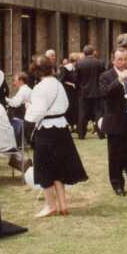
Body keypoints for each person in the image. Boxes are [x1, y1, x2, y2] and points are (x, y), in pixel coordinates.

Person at [26, 56, 88, 217]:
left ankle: (50, 205)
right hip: (61, 128)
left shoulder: (39, 88)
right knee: (59, 167)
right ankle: (63, 205)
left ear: (36, 71)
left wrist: (28, 113)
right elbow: (66, 105)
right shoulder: (58, 84)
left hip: (46, 130)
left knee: (44, 168)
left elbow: (37, 112)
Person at [100, 48, 127, 196]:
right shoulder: (106, 76)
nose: (123, 62)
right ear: (113, 61)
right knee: (115, 155)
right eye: (120, 59)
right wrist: (119, 80)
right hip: (115, 120)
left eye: (125, 59)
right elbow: (105, 93)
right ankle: (117, 184)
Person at [75, 45, 105, 139]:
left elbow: (76, 78)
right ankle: (101, 133)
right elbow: (103, 77)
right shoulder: (99, 63)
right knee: (98, 113)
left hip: (83, 92)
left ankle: (81, 134)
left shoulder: (79, 63)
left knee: (82, 114)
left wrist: (79, 88)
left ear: (84, 53)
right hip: (97, 92)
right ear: (93, 52)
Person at [6, 72, 32, 144]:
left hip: (24, 114)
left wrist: (5, 100)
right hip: (25, 112)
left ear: (21, 81)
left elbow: (16, 103)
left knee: (10, 111)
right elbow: (15, 101)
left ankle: (14, 140)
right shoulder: (25, 89)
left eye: (15, 80)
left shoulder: (23, 90)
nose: (14, 82)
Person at [57, 52, 79, 135]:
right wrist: (71, 84)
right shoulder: (65, 68)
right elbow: (62, 80)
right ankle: (69, 125)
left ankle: (74, 125)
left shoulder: (75, 68)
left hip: (74, 92)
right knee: (69, 108)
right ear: (74, 61)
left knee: (74, 109)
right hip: (68, 91)